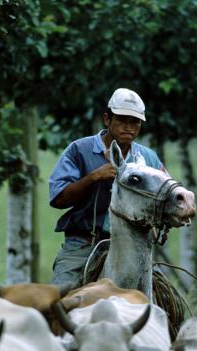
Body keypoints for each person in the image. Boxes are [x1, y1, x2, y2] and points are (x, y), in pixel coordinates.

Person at [49, 87, 165, 287]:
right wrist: (92, 177)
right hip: (85, 243)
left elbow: (167, 194)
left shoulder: (148, 158)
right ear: (107, 119)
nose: (128, 127)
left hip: (134, 247)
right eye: (122, 120)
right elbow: (58, 199)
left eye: (135, 122)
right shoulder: (79, 150)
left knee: (166, 303)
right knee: (58, 296)